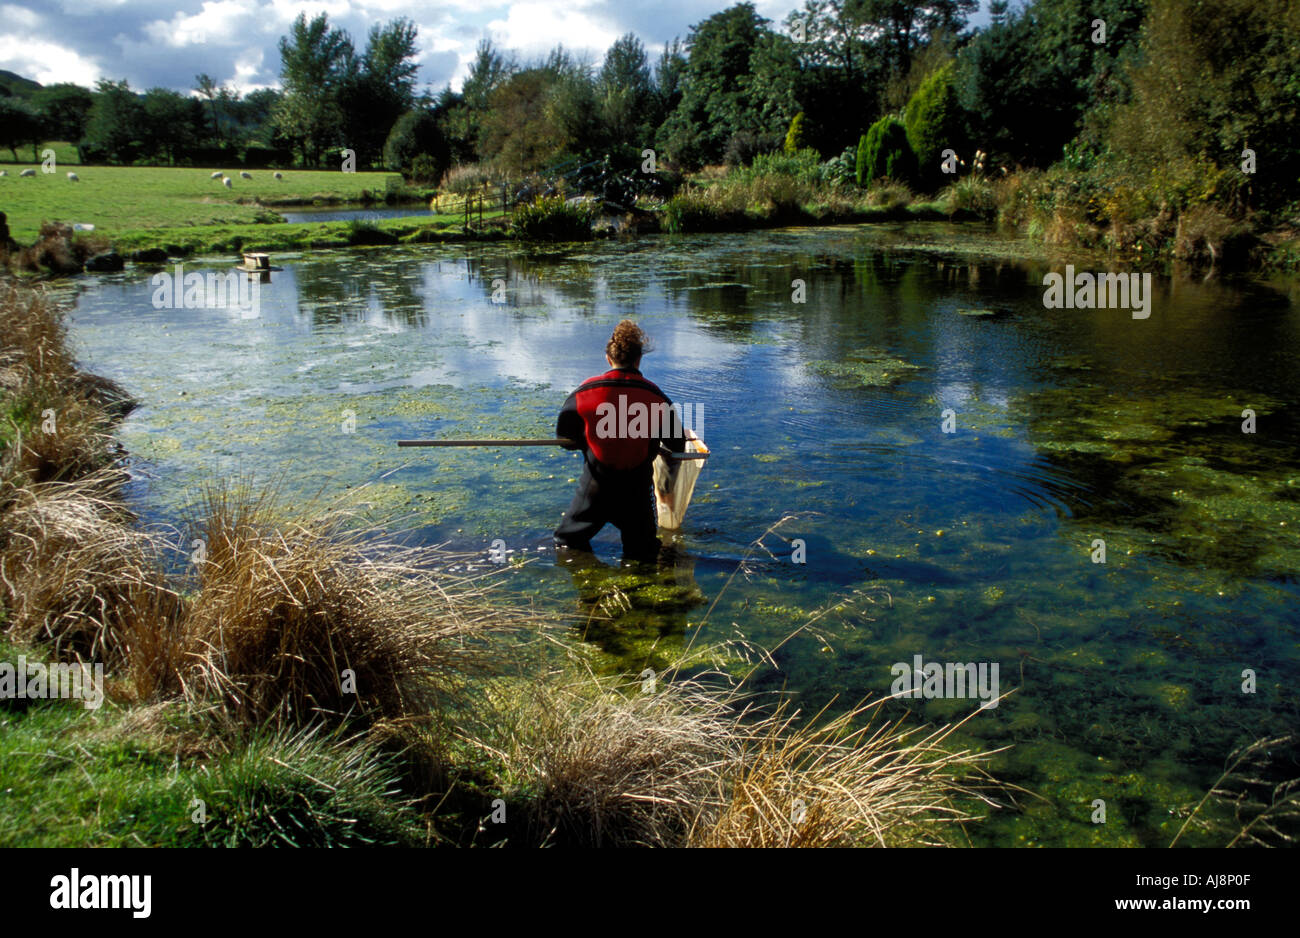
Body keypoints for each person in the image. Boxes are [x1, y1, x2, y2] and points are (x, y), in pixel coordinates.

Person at [554, 320, 686, 561]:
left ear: (608, 358)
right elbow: (677, 444)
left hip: (595, 489)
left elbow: (564, 439)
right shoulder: (656, 397)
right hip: (635, 493)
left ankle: (591, 591)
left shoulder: (583, 393)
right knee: (643, 553)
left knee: (567, 543)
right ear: (639, 359)